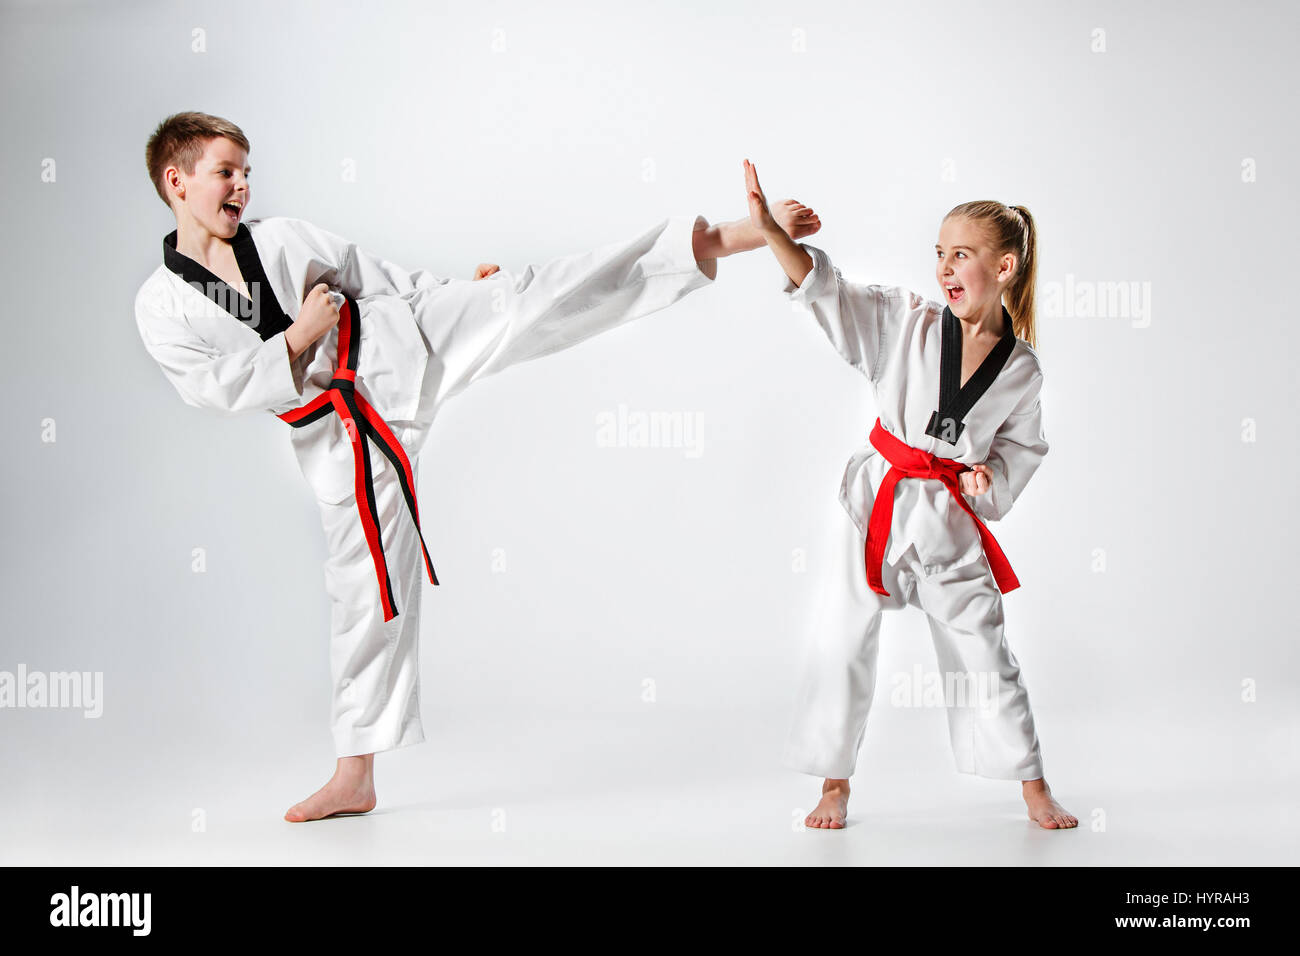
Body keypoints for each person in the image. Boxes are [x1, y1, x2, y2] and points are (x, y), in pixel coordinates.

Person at [134, 113, 820, 822]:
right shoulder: (159, 306)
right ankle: (355, 776)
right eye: (226, 172)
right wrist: (296, 339)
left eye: (247, 172)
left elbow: (373, 276)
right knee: (362, 593)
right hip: (338, 433)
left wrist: (453, 290)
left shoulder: (280, 238)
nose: (243, 185)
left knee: (531, 295)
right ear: (176, 181)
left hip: (398, 342)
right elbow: (212, 388)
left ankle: (726, 238)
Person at [743, 159, 1076, 830]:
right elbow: (828, 292)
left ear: (1005, 267)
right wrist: (773, 234)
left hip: (948, 516)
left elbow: (1021, 449)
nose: (945, 267)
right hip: (875, 501)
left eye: (962, 255)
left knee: (986, 648)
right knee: (844, 637)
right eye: (940, 253)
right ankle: (834, 782)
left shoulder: (1022, 370)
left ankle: (1033, 784)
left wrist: (989, 479)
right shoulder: (906, 321)